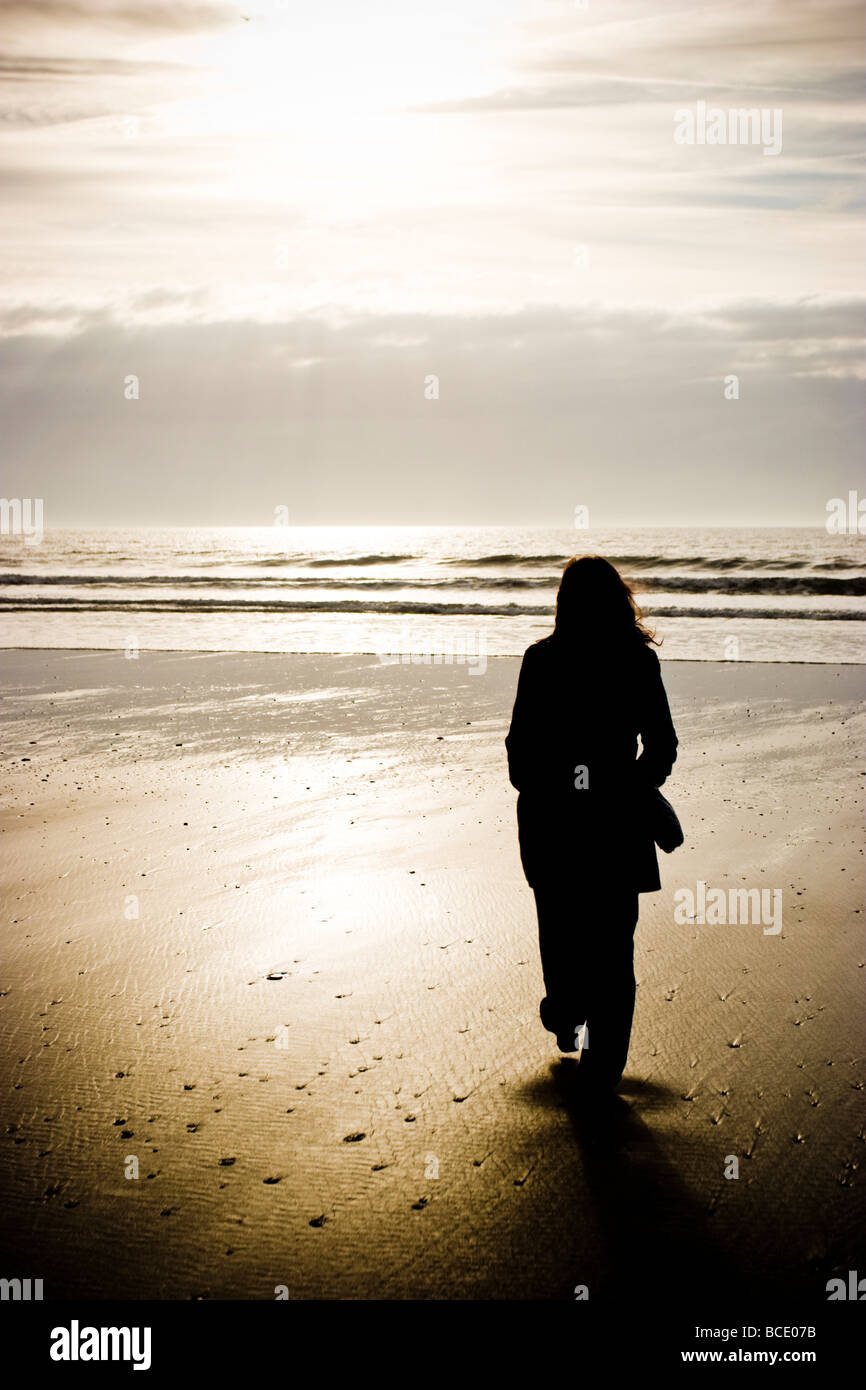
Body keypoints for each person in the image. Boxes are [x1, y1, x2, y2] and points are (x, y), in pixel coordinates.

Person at [505, 554, 678, 1091]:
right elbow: (663, 747)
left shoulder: (541, 660)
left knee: (560, 940)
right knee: (612, 951)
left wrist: (555, 787)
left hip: (552, 827)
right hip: (616, 827)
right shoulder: (636, 661)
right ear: (619, 602)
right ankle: (601, 1064)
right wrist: (630, 787)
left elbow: (518, 756)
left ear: (563, 604)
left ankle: (569, 1019)